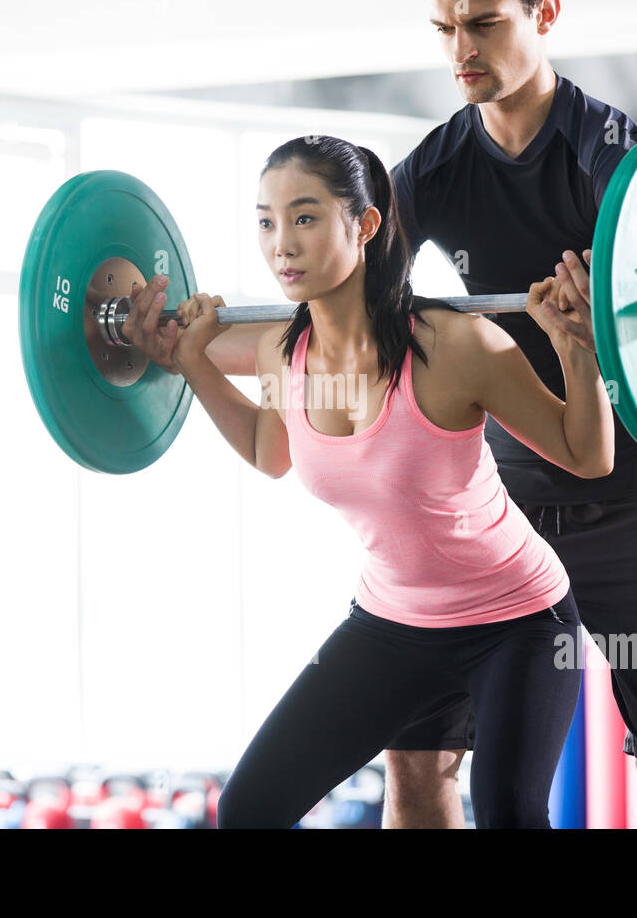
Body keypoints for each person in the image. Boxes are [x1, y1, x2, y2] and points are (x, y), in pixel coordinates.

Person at [126, 134, 612, 828]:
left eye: (304, 217)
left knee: (508, 811)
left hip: (520, 622)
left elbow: (585, 454)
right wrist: (193, 361)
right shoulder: (280, 350)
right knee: (248, 808)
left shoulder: (455, 347)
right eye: (265, 220)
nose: (280, 245)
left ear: (365, 224)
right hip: (394, 623)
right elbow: (272, 450)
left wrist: (579, 349)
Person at [370, 0, 637, 828]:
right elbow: (350, 301)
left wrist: (605, 314)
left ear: (546, 14)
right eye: (444, 29)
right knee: (417, 759)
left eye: (485, 25)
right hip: (501, 512)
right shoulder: (432, 170)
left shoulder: (608, 151)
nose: (460, 51)